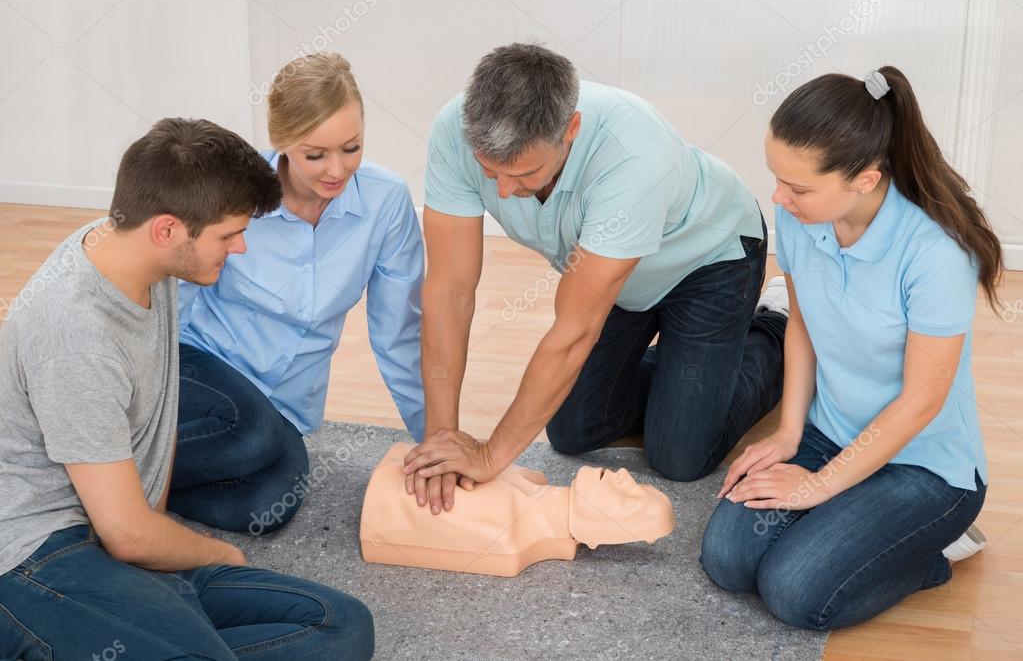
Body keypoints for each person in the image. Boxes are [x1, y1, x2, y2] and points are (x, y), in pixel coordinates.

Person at [0, 118, 374, 658]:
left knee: (341, 625)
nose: (241, 247)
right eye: (228, 234)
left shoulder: (141, 259)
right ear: (167, 229)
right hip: (36, 558)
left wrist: (169, 551)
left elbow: (139, 503)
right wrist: (219, 555)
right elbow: (127, 532)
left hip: (114, 547)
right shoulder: (75, 331)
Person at [402, 43, 788, 514]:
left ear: (571, 130)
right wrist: (442, 438)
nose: (503, 191)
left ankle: (773, 326)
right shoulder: (453, 131)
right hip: (618, 281)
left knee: (681, 454)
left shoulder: (633, 154)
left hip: (710, 260)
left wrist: (489, 454)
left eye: (524, 172)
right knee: (573, 430)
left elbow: (574, 331)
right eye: (489, 171)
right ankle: (687, 374)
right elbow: (449, 293)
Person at [700, 67, 1001, 630]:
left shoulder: (935, 253)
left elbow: (921, 403)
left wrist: (816, 486)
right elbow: (802, 325)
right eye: (776, 178)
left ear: (864, 179)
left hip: (925, 465)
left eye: (799, 187)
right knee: (729, 561)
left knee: (796, 594)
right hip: (829, 432)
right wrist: (789, 433)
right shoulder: (801, 219)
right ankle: (852, 519)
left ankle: (926, 558)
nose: (778, 197)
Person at [172, 52, 425, 534]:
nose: (337, 169)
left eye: (351, 148)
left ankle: (131, 486)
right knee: (248, 439)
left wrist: (434, 438)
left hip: (285, 405)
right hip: (202, 366)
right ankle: (98, 475)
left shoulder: (386, 202)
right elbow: (173, 296)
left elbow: (399, 333)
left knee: (265, 508)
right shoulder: (232, 195)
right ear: (282, 142)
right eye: (315, 154)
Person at [362, 443, 674, 576]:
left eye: (631, 496)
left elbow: (414, 514)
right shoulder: (530, 478)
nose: (622, 475)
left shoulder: (508, 540)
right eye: (636, 482)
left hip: (385, 499)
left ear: (600, 531)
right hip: (398, 464)